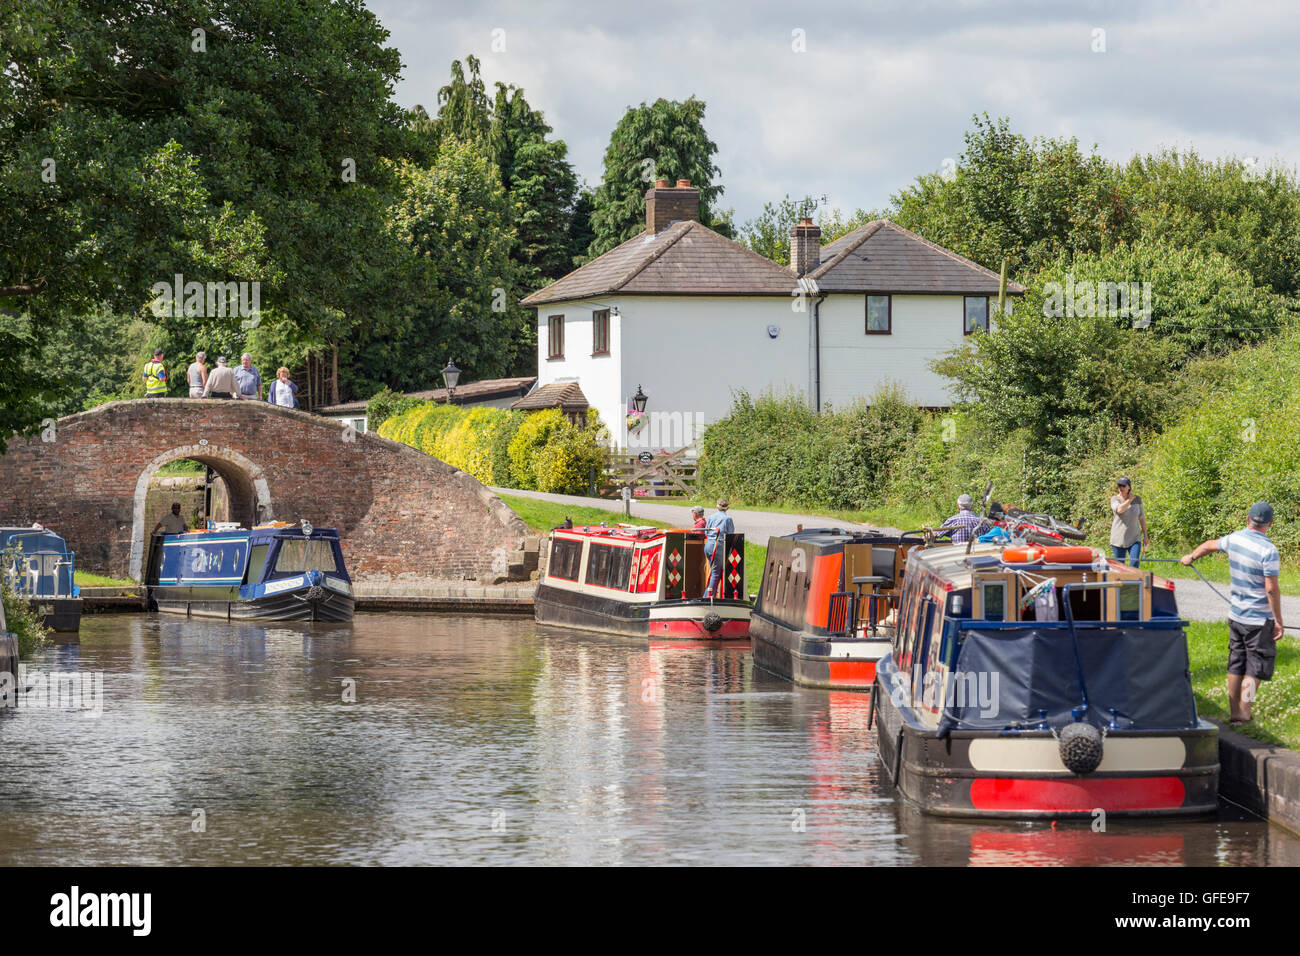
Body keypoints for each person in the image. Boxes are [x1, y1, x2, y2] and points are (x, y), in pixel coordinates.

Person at [1181, 501, 1283, 725]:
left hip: (1236, 616)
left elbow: (1208, 545)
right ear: (1270, 523)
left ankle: (1234, 712)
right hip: (1258, 620)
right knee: (1255, 667)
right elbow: (1271, 589)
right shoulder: (1268, 550)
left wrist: (1191, 557)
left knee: (1236, 662)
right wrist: (1278, 620)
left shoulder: (1234, 539)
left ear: (1248, 519)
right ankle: (1244, 714)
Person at [1110, 477, 1149, 567]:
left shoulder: (1137, 499)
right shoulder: (1115, 499)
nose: (1121, 488)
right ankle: (1121, 581)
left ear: (1129, 487)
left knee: (1134, 563)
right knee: (1120, 567)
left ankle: (1134, 581)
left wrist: (1145, 536)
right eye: (1119, 485)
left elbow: (1142, 517)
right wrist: (1129, 500)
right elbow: (1119, 510)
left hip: (1134, 538)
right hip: (1118, 539)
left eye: (1123, 485)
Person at [704, 499, 735, 597]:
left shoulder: (711, 517)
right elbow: (730, 534)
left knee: (713, 570)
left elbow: (706, 532)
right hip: (718, 546)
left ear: (717, 507)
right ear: (727, 508)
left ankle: (715, 591)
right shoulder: (728, 519)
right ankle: (708, 595)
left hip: (708, 545)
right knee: (716, 572)